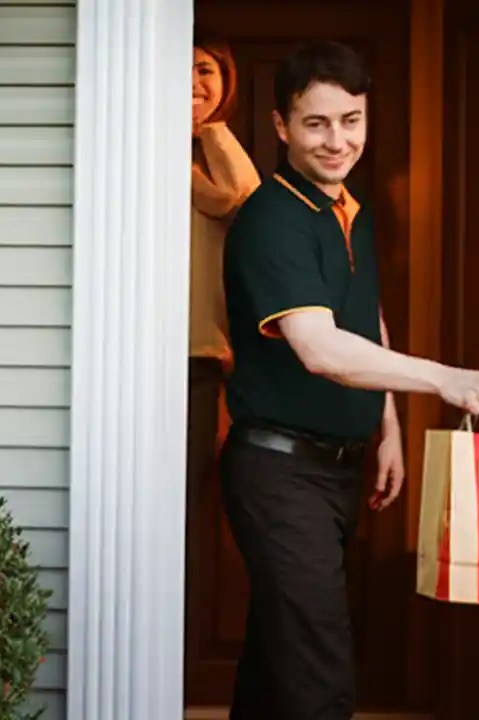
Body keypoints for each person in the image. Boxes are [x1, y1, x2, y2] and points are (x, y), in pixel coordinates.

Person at [219, 41, 479, 719]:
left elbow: (362, 318)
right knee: (319, 674)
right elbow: (319, 348)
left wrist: (388, 427)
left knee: (279, 663)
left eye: (350, 120)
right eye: (317, 123)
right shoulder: (272, 218)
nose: (336, 140)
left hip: (339, 470)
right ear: (282, 125)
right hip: (279, 473)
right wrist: (442, 378)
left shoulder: (352, 209)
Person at [187, 38, 260, 516]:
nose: (192, 83)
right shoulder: (143, 156)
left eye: (204, 70)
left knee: (194, 498)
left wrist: (210, 129)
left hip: (204, 356)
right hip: (141, 353)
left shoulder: (211, 157)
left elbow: (241, 198)